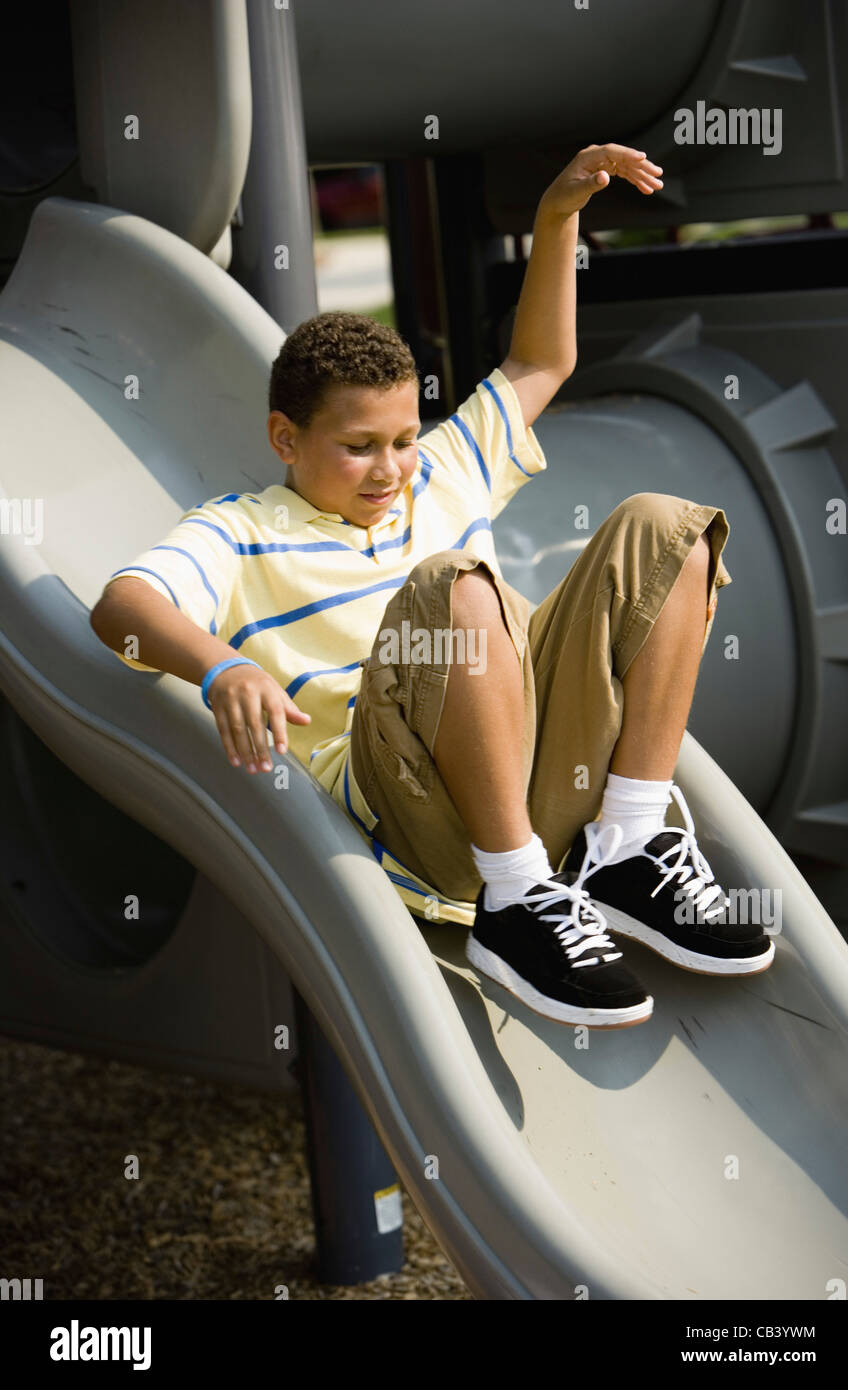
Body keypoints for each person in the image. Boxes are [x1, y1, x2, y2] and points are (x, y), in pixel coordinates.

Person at [90, 142, 774, 1034]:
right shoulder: (240, 530)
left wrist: (557, 218)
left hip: (539, 772)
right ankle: (516, 901)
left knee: (668, 527)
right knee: (454, 586)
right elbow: (121, 610)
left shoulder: (442, 470)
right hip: (415, 815)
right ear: (285, 438)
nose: (392, 469)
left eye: (405, 437)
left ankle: (628, 846)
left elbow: (539, 364)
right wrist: (222, 667)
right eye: (359, 446)